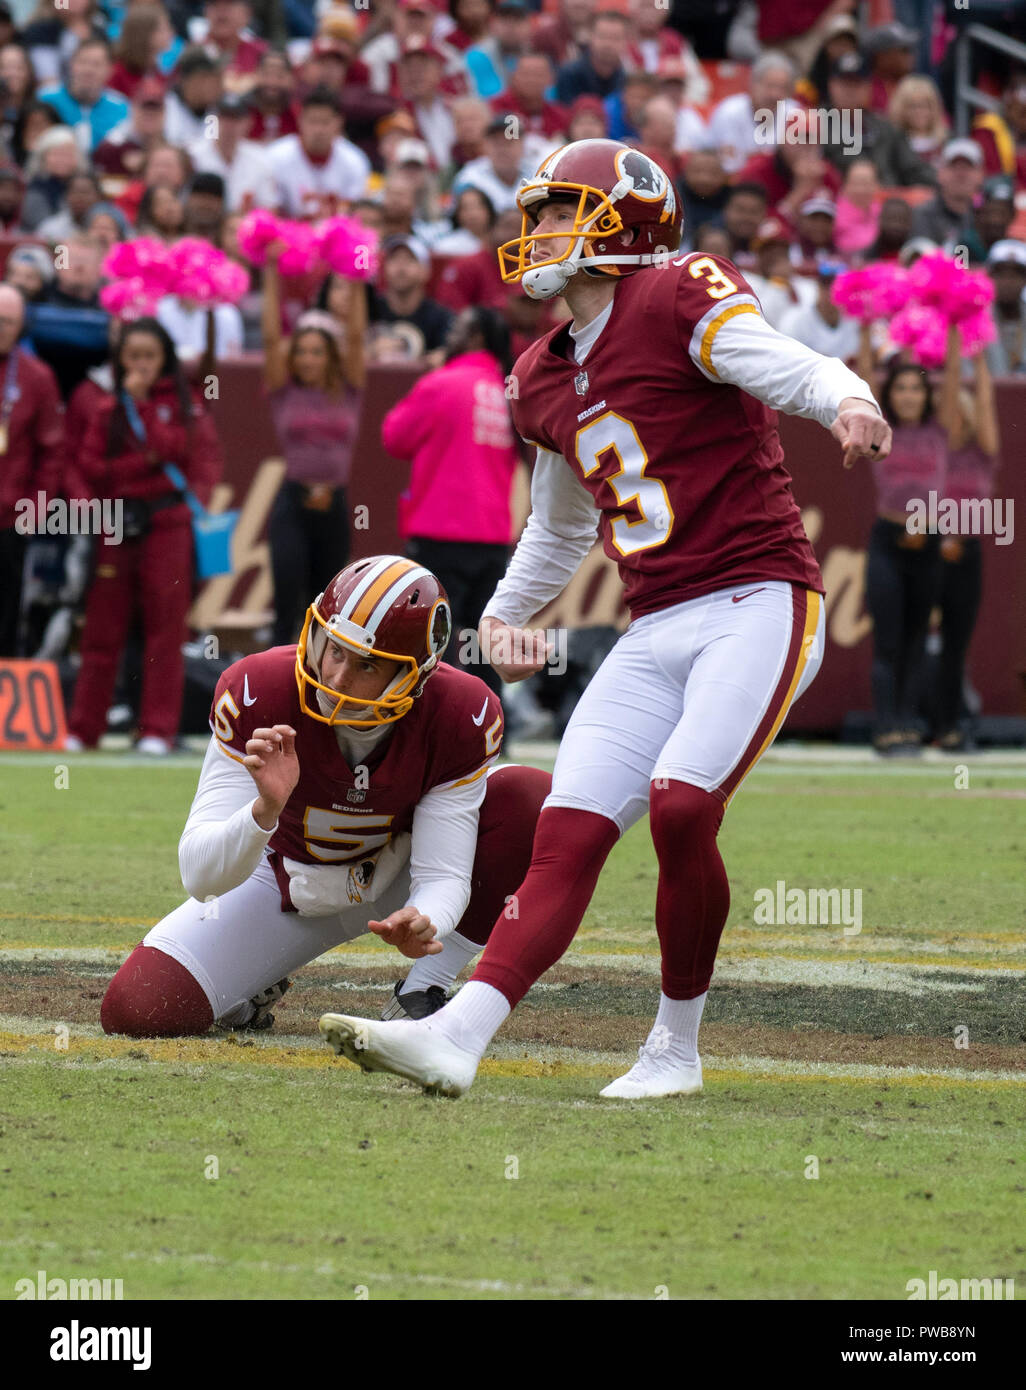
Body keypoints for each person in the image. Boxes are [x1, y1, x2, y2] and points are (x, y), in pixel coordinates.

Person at [318, 137, 890, 1098]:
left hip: (756, 598)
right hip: (656, 617)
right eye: (533, 213)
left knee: (680, 806)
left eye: (553, 211)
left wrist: (849, 396)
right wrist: (501, 615)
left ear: (619, 220)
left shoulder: (675, 296)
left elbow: (783, 362)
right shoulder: (541, 372)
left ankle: (675, 1051)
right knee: (567, 832)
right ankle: (457, 1036)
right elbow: (559, 522)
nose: (533, 230)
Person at [99, 555, 552, 1036]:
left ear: (415, 676)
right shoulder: (259, 691)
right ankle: (254, 982)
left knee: (530, 799)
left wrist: (425, 921)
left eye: (367, 665)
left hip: (396, 874)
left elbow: (444, 873)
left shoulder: (459, 713)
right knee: (139, 1009)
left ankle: (424, 989)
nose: (336, 678)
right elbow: (200, 874)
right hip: (286, 880)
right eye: (335, 650)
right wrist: (263, 811)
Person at [64, 318, 223, 754]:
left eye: (149, 356)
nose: (140, 365)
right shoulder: (103, 406)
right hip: (117, 524)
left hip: (168, 527)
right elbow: (92, 468)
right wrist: (144, 465)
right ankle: (84, 728)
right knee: (101, 629)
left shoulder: (187, 405)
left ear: (165, 359)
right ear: (120, 358)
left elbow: (184, 453)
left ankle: (156, 730)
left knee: (165, 633)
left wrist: (144, 417)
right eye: (132, 356)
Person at [382, 306, 518, 696]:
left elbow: (394, 437)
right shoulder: (507, 388)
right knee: (482, 640)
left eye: (457, 327)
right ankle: (490, 722)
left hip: (440, 529)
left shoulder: (442, 383)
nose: (449, 333)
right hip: (491, 533)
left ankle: (427, 721)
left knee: (428, 638)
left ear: (475, 338)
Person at [856, 324, 955, 755]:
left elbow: (952, 381)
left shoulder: (941, 428)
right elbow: (861, 376)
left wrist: (952, 322)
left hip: (929, 542)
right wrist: (865, 320)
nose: (910, 395)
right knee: (889, 639)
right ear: (889, 395)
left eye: (918, 388)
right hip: (889, 540)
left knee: (917, 639)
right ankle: (886, 726)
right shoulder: (880, 427)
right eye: (902, 388)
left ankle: (910, 723)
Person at [262, 239, 365, 646]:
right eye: (301, 351)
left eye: (316, 352)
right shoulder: (283, 390)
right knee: (286, 608)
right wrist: (270, 271)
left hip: (335, 507)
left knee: (327, 614)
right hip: (292, 505)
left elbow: (355, 337)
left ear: (330, 356)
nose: (306, 359)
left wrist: (355, 274)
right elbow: (272, 339)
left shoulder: (350, 387)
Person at [933, 326, 1001, 751]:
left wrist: (979, 354)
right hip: (932, 546)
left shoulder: (983, 450)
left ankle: (952, 725)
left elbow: (988, 401)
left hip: (968, 552)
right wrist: (956, 338)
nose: (953, 421)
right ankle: (924, 719)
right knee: (925, 638)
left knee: (957, 643)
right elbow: (950, 385)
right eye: (949, 413)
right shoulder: (934, 446)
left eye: (961, 415)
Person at [0, 284, 65, 657]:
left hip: (8, 520)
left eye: (8, 322)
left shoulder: (37, 377)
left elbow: (52, 452)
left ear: (21, 326)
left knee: (6, 615)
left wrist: (33, 510)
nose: (1, 328)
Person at [984, 239, 1026, 376]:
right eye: (1001, 274)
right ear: (990, 276)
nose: (1008, 282)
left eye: (1016, 275)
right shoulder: (976, 321)